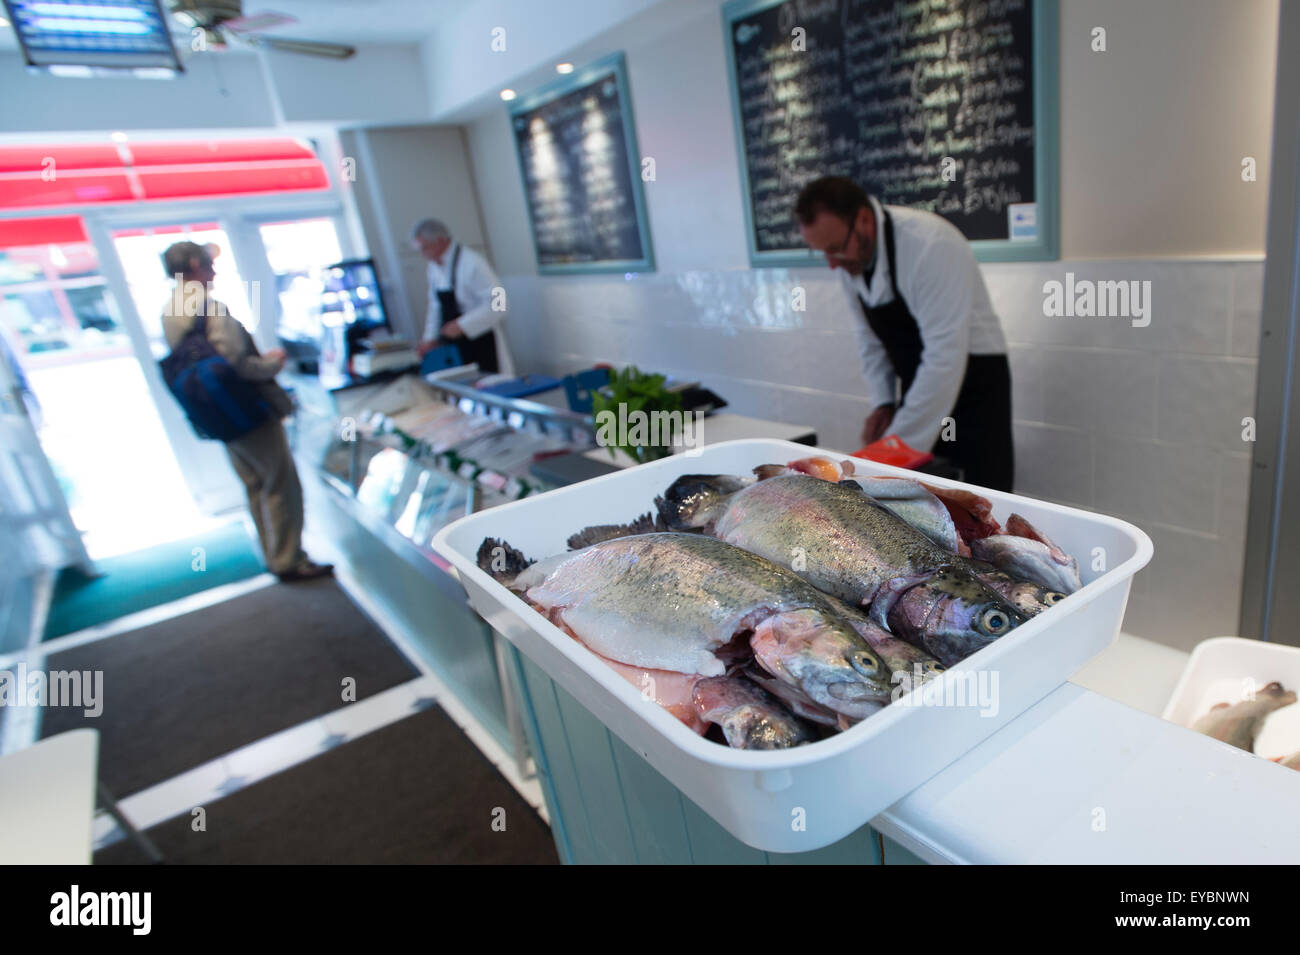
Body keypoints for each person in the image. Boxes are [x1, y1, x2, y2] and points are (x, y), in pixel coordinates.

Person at [794, 177, 1015, 491]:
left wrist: (892, 453)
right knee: (923, 499)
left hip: (973, 386)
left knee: (977, 497)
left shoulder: (931, 245)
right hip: (919, 384)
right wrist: (883, 402)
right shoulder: (850, 260)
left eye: (835, 249)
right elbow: (870, 340)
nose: (832, 264)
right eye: (823, 254)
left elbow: (945, 356)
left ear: (865, 221)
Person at [161, 241, 333, 583]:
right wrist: (271, 364)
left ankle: (273, 553)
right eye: (209, 262)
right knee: (280, 483)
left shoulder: (170, 310)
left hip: (219, 415)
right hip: (247, 410)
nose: (213, 269)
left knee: (255, 484)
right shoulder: (211, 308)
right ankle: (290, 559)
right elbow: (235, 363)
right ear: (195, 264)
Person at [411, 219, 514, 376]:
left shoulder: (474, 263)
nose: (423, 255)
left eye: (425, 248)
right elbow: (435, 306)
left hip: (482, 342)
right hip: (455, 346)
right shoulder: (433, 267)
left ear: (439, 241)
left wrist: (462, 325)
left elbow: (500, 304)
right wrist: (429, 338)